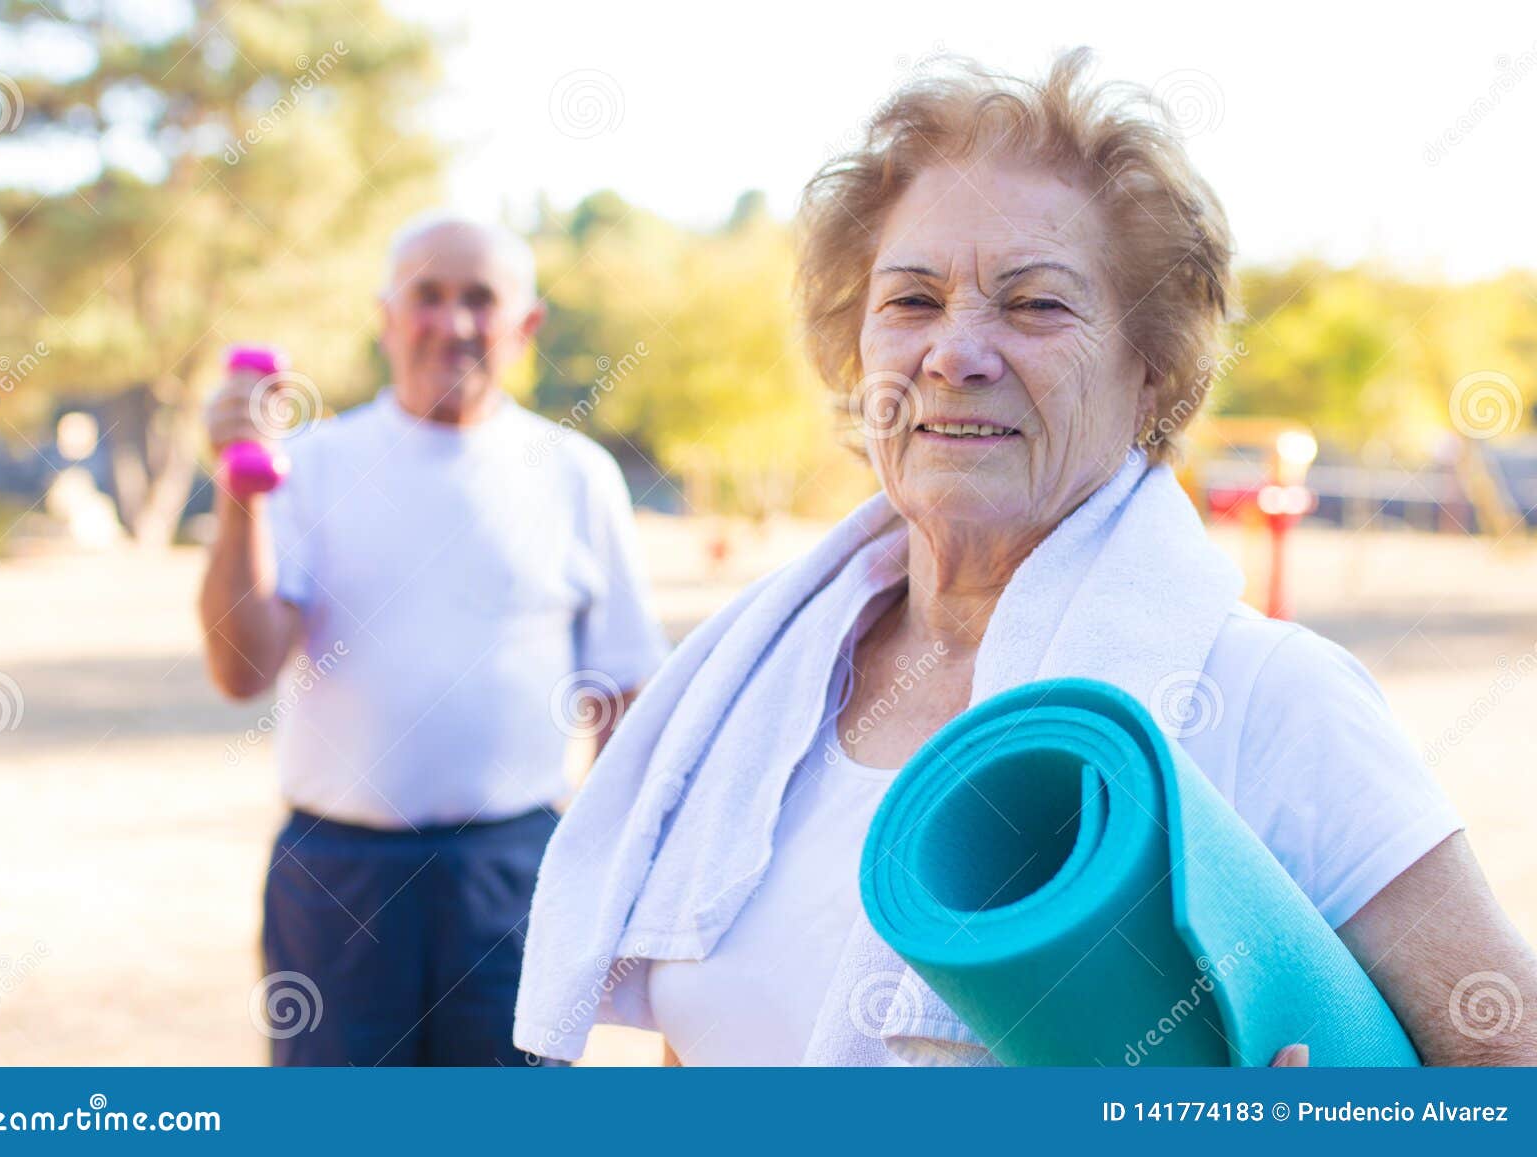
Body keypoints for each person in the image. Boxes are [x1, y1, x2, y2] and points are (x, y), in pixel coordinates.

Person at [513, 51, 1537, 1067]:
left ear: (1150, 373)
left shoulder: (1270, 698)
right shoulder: (751, 702)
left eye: (1035, 303)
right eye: (910, 300)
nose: (955, 352)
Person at [198, 212, 667, 1065]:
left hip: (513, 873)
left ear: (525, 327)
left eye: (480, 300)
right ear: (387, 315)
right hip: (337, 878)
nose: (453, 323)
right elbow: (241, 670)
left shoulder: (575, 475)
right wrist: (240, 493)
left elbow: (625, 704)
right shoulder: (313, 466)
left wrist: (605, 886)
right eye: (428, 296)